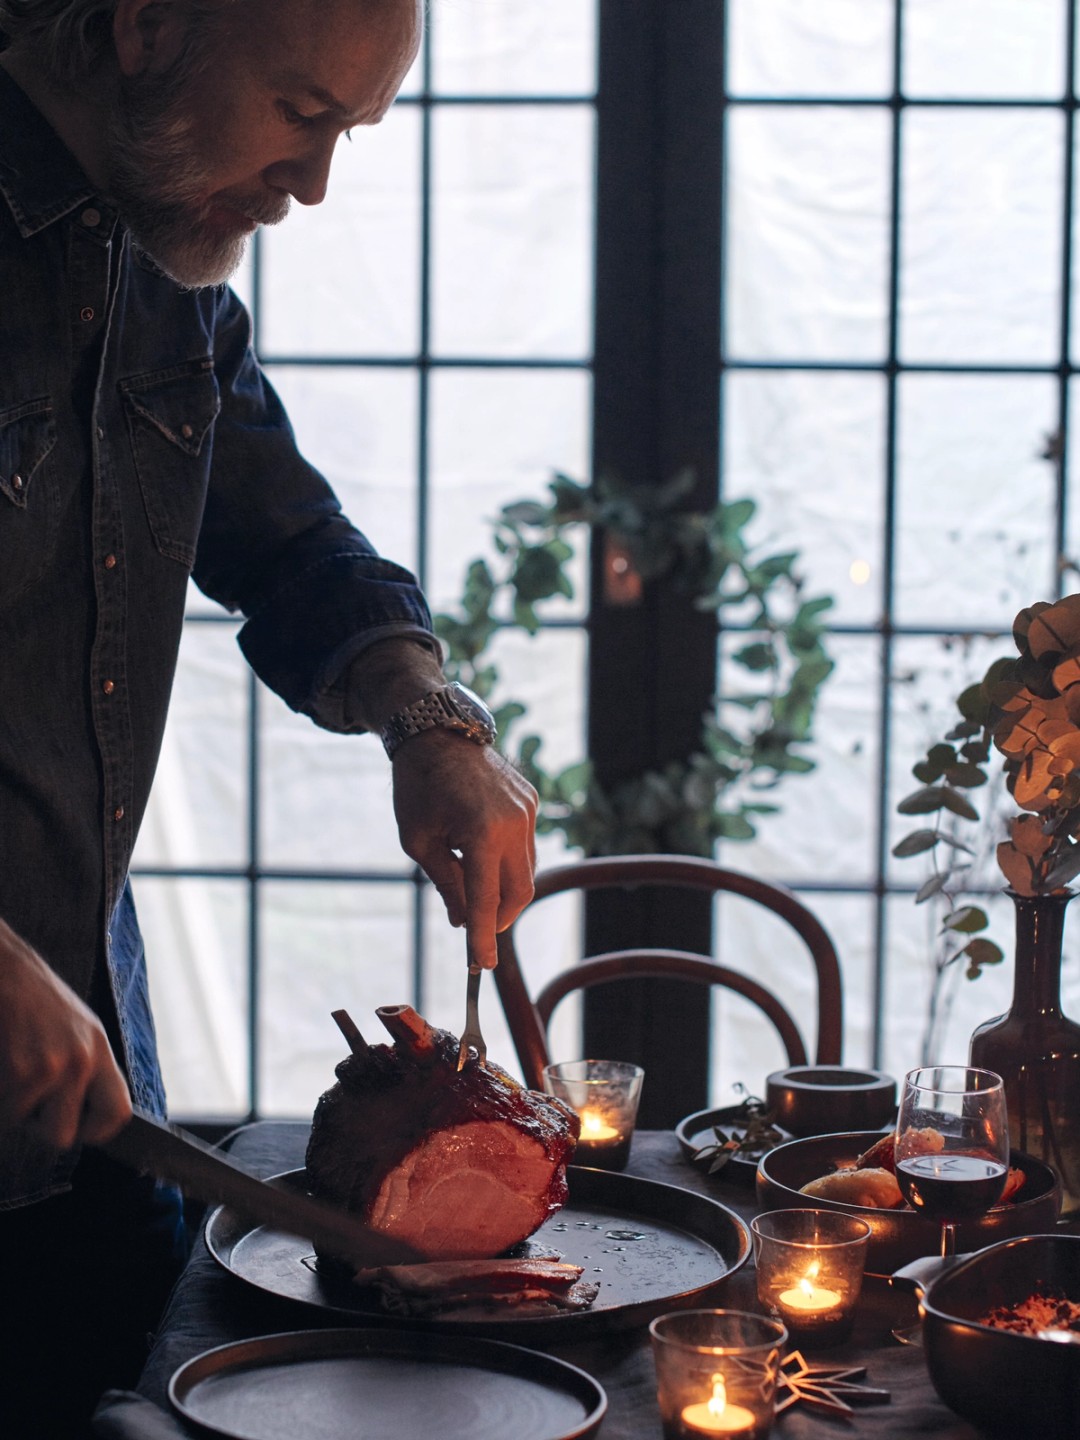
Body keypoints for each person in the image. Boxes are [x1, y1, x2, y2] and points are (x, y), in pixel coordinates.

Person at [0, 0, 538, 1431]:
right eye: (304, 117)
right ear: (140, 27)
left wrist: (433, 722)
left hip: (87, 1059)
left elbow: (290, 546)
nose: (312, 190)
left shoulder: (160, 252)